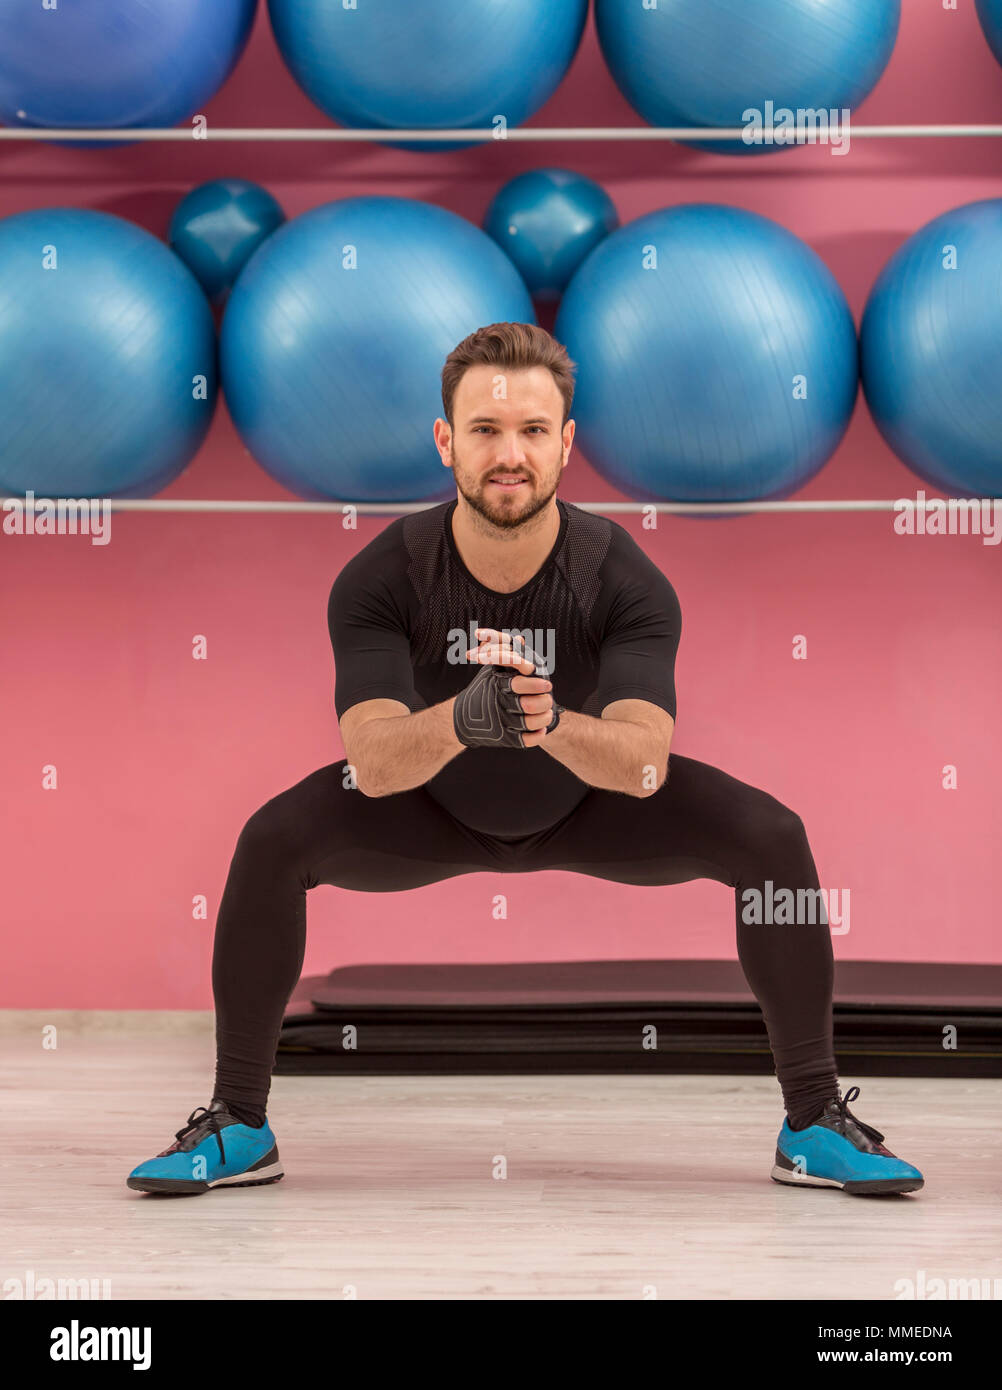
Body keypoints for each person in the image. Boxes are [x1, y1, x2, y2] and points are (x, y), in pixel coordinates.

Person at [127, 322, 922, 1198]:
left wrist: (548, 726)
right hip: (426, 804)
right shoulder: (384, 577)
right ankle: (239, 1125)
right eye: (486, 430)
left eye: (534, 431)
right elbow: (377, 763)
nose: (511, 454)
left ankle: (811, 1124)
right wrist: (466, 718)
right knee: (271, 838)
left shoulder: (622, 578)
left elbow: (645, 765)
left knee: (773, 837)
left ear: (566, 444)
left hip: (592, 802)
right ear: (446, 442)